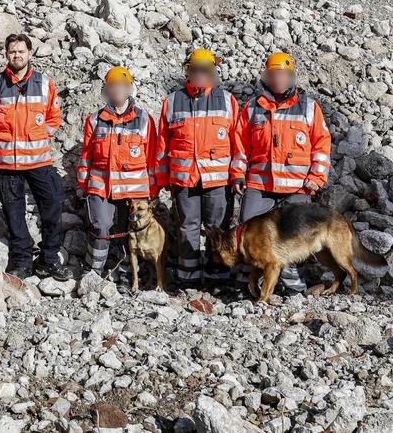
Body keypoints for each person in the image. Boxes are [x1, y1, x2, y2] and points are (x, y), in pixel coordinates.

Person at [229, 51, 332, 294]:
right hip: (260, 185)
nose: (279, 80)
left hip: (297, 187)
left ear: (292, 77)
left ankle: (291, 286)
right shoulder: (253, 108)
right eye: (274, 75)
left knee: (293, 238)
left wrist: (316, 178)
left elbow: (321, 144)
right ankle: (250, 282)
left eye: (284, 75)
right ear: (266, 76)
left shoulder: (308, 107)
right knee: (249, 231)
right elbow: (241, 145)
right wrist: (238, 175)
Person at [0, 33, 65, 280]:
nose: (17, 55)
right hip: (7, 164)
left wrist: (38, 139)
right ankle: (23, 261)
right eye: (12, 51)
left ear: (30, 53)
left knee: (52, 206)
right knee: (14, 215)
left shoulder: (45, 84)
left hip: (39, 162)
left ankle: (49, 259)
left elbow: (53, 118)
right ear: (6, 54)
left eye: (21, 51)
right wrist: (2, 142)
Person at [158, 49, 238, 289]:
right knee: (187, 227)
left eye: (205, 70)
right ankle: (188, 278)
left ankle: (218, 277)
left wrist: (237, 176)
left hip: (218, 181)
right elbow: (162, 144)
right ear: (188, 71)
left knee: (218, 229)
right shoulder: (173, 101)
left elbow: (239, 142)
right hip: (184, 181)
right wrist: (163, 179)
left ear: (213, 72)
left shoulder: (227, 100)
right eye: (195, 70)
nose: (200, 74)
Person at [77, 67, 161, 284]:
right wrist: (84, 183)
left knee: (128, 231)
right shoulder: (95, 120)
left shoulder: (144, 120)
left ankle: (125, 274)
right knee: (101, 226)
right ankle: (93, 273)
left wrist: (152, 190)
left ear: (129, 88)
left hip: (133, 191)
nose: (117, 90)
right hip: (101, 186)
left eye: (122, 86)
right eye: (113, 86)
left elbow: (153, 158)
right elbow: (86, 155)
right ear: (106, 89)